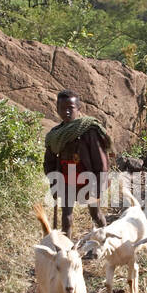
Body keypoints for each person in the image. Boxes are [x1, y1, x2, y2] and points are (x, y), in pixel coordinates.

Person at [43, 90, 110, 236]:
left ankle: (107, 239)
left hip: (89, 179)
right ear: (57, 109)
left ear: (78, 109)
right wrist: (52, 179)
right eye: (62, 108)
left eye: (70, 108)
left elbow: (101, 160)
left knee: (95, 213)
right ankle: (66, 249)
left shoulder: (89, 130)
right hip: (67, 179)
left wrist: (99, 184)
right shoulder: (55, 135)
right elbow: (49, 160)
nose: (66, 112)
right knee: (66, 216)